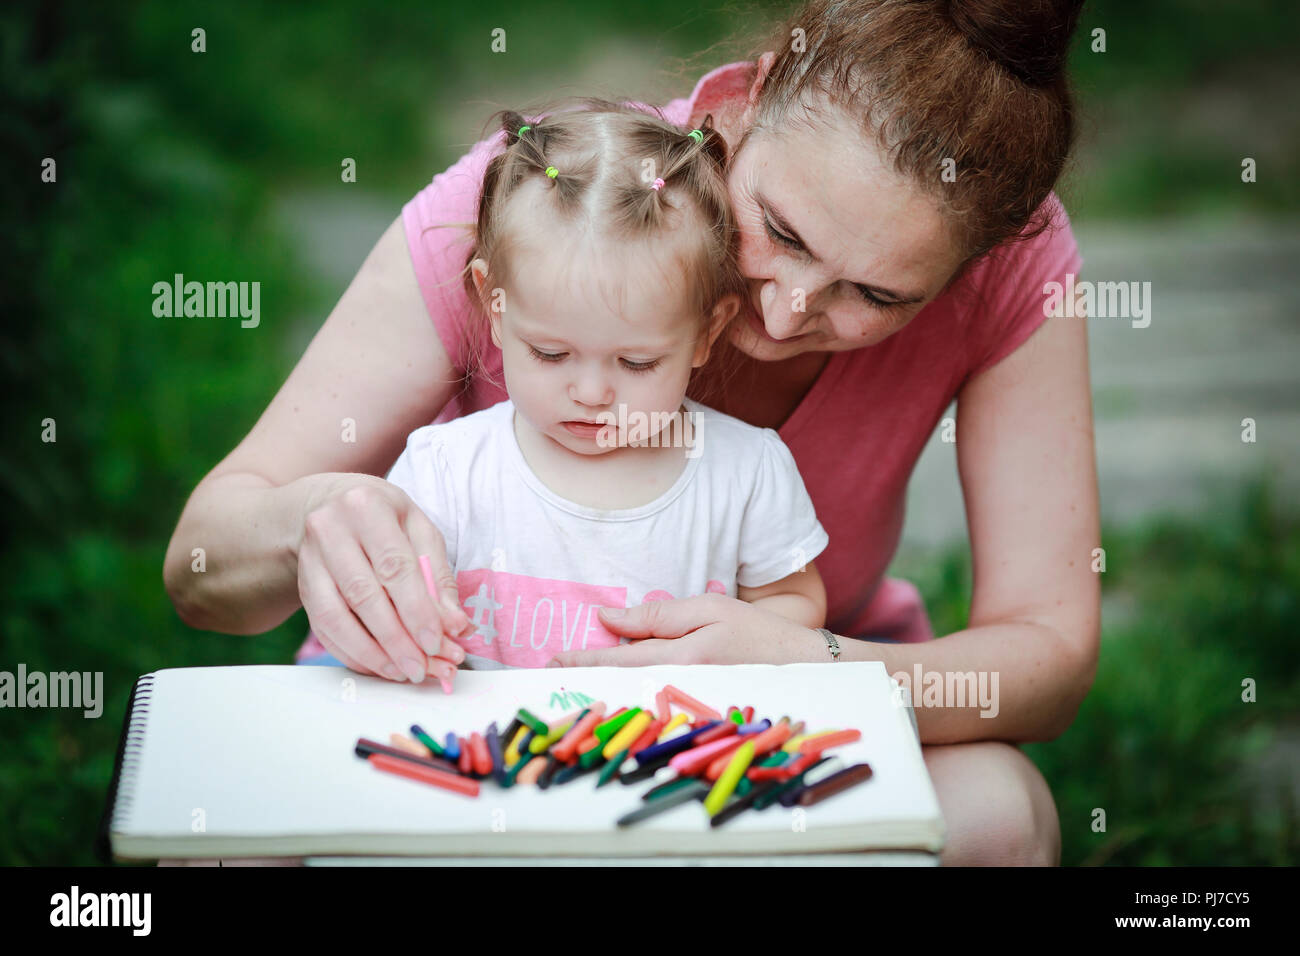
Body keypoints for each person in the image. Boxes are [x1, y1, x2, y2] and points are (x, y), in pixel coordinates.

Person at [165, 0, 1098, 865]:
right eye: (780, 229)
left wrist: (804, 666)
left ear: (977, 261)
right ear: (748, 96)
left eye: (880, 296)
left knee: (1000, 817)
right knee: (220, 835)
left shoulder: (1013, 264)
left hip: (756, 731)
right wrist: (312, 520)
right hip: (462, 714)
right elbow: (202, 566)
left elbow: (1049, 657)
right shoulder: (545, 210)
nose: (784, 311)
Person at [296, 103, 830, 679]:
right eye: (550, 354)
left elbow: (795, 601)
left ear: (707, 332)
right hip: (478, 758)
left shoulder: (746, 472)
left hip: (658, 755)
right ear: (493, 304)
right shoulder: (445, 471)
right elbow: (379, 591)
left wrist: (736, 644)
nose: (593, 391)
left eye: (637, 361)